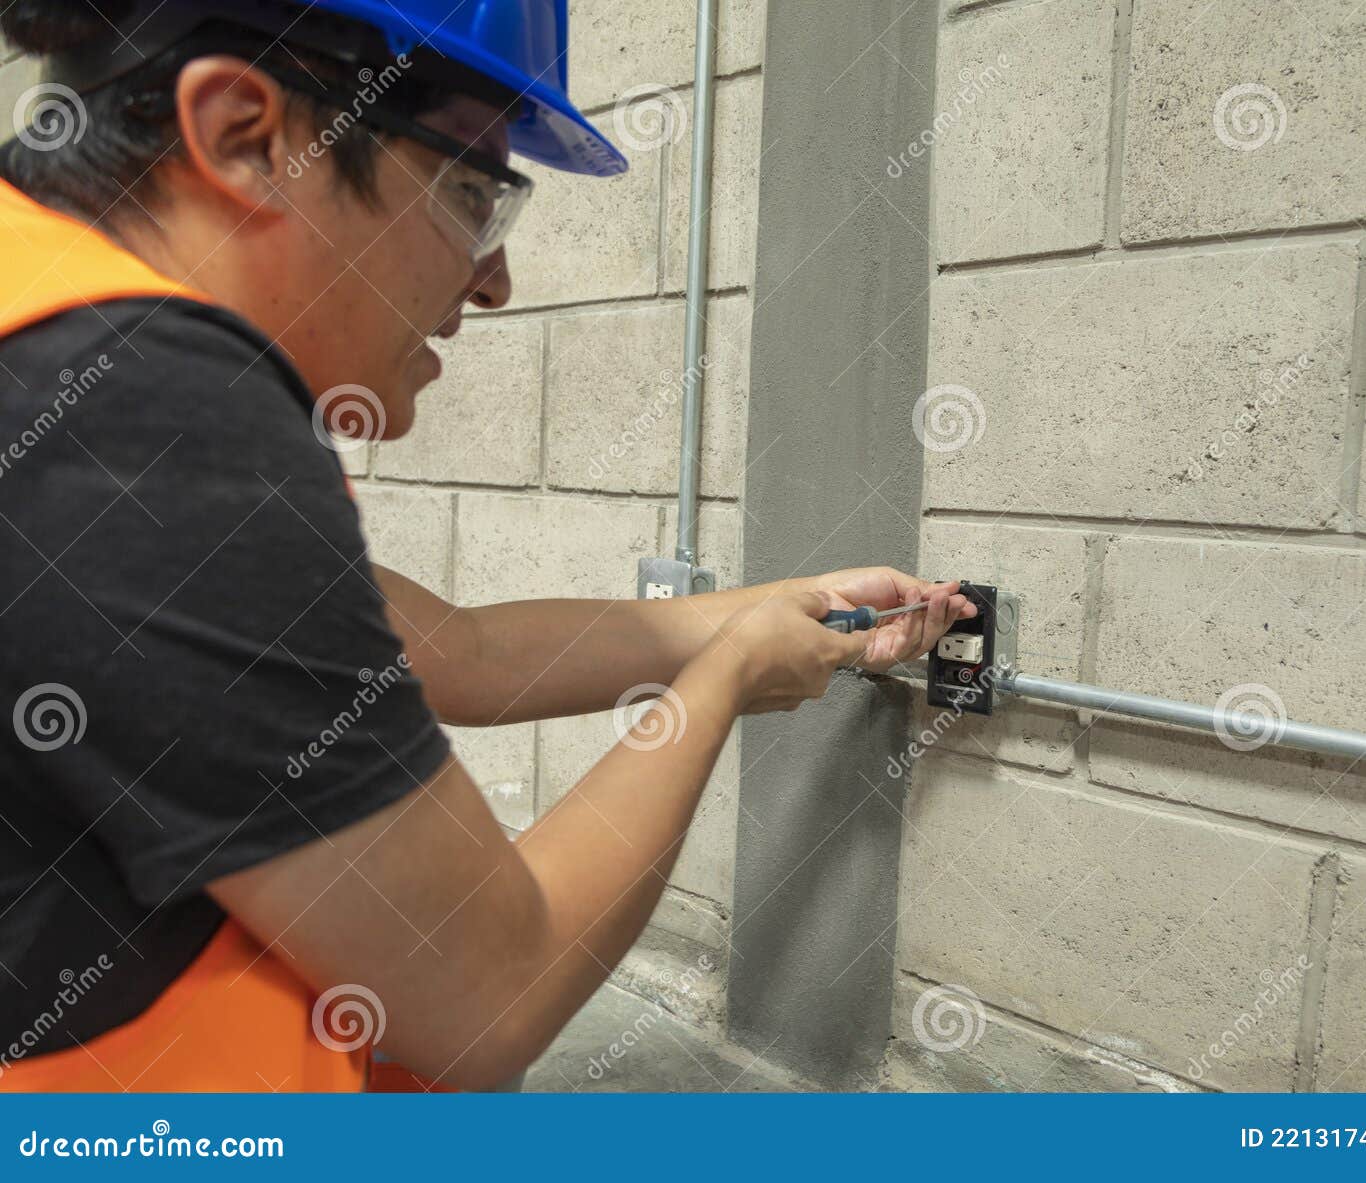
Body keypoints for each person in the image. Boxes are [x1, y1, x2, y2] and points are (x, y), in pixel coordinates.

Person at [0, 0, 972, 1092]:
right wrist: (727, 676)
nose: (493, 280)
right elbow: (486, 991)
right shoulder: (145, 424)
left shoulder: (51, 359)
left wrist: (783, 604)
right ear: (246, 134)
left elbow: (461, 653)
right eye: (472, 193)